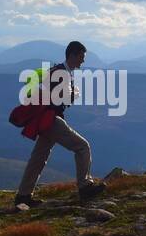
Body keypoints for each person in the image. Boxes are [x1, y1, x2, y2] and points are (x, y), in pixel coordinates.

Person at [14, 41, 107, 206]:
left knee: (38, 158)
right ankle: (84, 187)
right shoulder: (62, 73)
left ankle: (23, 196)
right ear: (72, 55)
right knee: (82, 147)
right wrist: (72, 95)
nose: (82, 61)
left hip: (44, 120)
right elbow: (60, 98)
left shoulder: (57, 71)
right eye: (81, 57)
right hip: (51, 120)